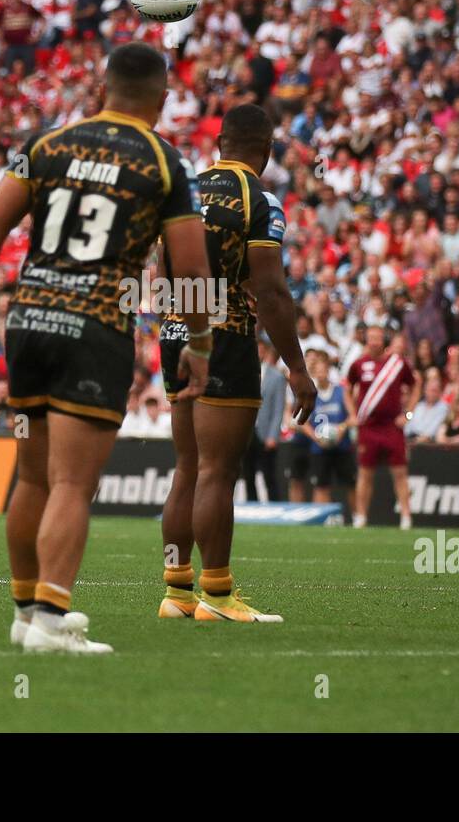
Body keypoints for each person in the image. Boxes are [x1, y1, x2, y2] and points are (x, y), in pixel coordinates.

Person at [0, 42, 212, 655]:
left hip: (30, 321)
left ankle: (23, 612)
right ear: (162, 100)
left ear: (102, 88)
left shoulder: (48, 144)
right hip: (95, 327)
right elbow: (190, 264)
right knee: (72, 484)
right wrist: (199, 338)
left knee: (32, 479)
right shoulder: (167, 162)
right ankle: (49, 618)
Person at [156, 103, 315, 623]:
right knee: (218, 470)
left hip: (175, 330)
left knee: (186, 466)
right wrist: (296, 366)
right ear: (265, 151)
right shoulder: (260, 199)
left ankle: (176, 592)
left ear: (220, 142)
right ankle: (218, 596)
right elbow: (270, 289)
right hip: (224, 334)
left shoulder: (184, 190)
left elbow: (162, 271)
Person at [345, 326, 416, 529]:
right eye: (371, 338)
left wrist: (408, 414)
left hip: (392, 426)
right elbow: (347, 388)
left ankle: (406, 516)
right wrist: (352, 414)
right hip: (368, 426)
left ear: (383, 340)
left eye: (378, 338)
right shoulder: (358, 364)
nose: (374, 342)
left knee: (400, 473)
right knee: (365, 473)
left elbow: (415, 386)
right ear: (366, 340)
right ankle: (361, 516)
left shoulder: (398, 364)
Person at [298, 349, 356, 507]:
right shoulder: (310, 394)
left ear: (329, 371)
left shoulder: (340, 391)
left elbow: (353, 417)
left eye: (324, 370)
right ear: (314, 373)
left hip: (342, 446)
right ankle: (321, 521)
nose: (322, 373)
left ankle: (359, 518)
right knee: (321, 486)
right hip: (320, 448)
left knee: (351, 484)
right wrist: (316, 438)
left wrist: (341, 428)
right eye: (318, 370)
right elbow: (302, 422)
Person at [242, 337, 286, 501]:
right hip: (247, 431)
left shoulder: (276, 377)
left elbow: (278, 408)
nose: (258, 353)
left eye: (261, 350)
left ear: (266, 352)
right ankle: (251, 506)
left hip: (266, 432)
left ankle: (275, 506)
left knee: (270, 476)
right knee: (248, 474)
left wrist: (273, 435)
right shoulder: (243, 373)